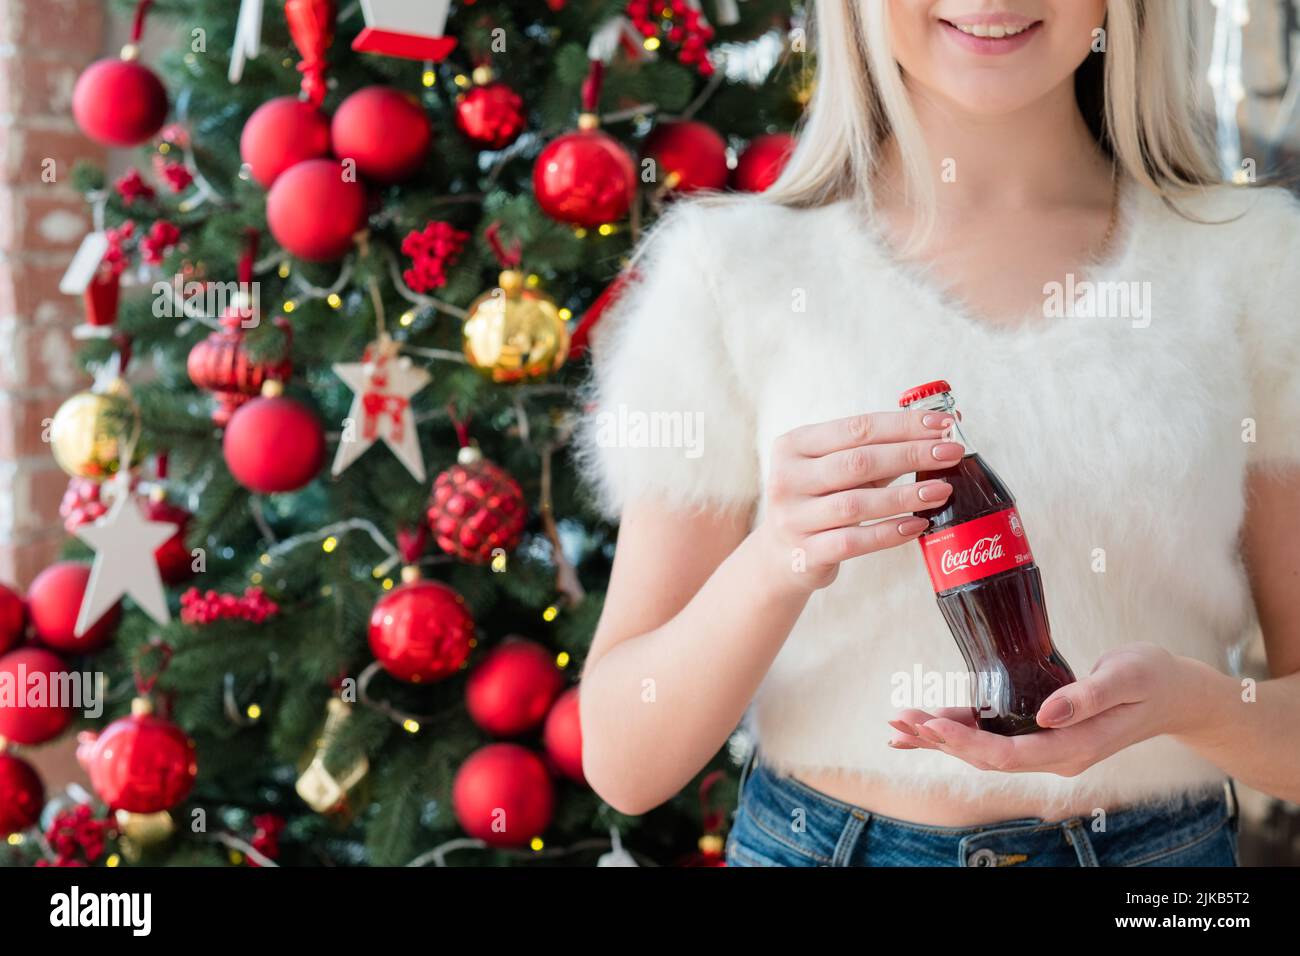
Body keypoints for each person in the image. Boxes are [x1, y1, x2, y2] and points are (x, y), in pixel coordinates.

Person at [577, 0, 1300, 866]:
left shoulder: (1250, 262)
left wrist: (1194, 705)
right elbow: (624, 761)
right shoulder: (731, 271)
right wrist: (776, 560)